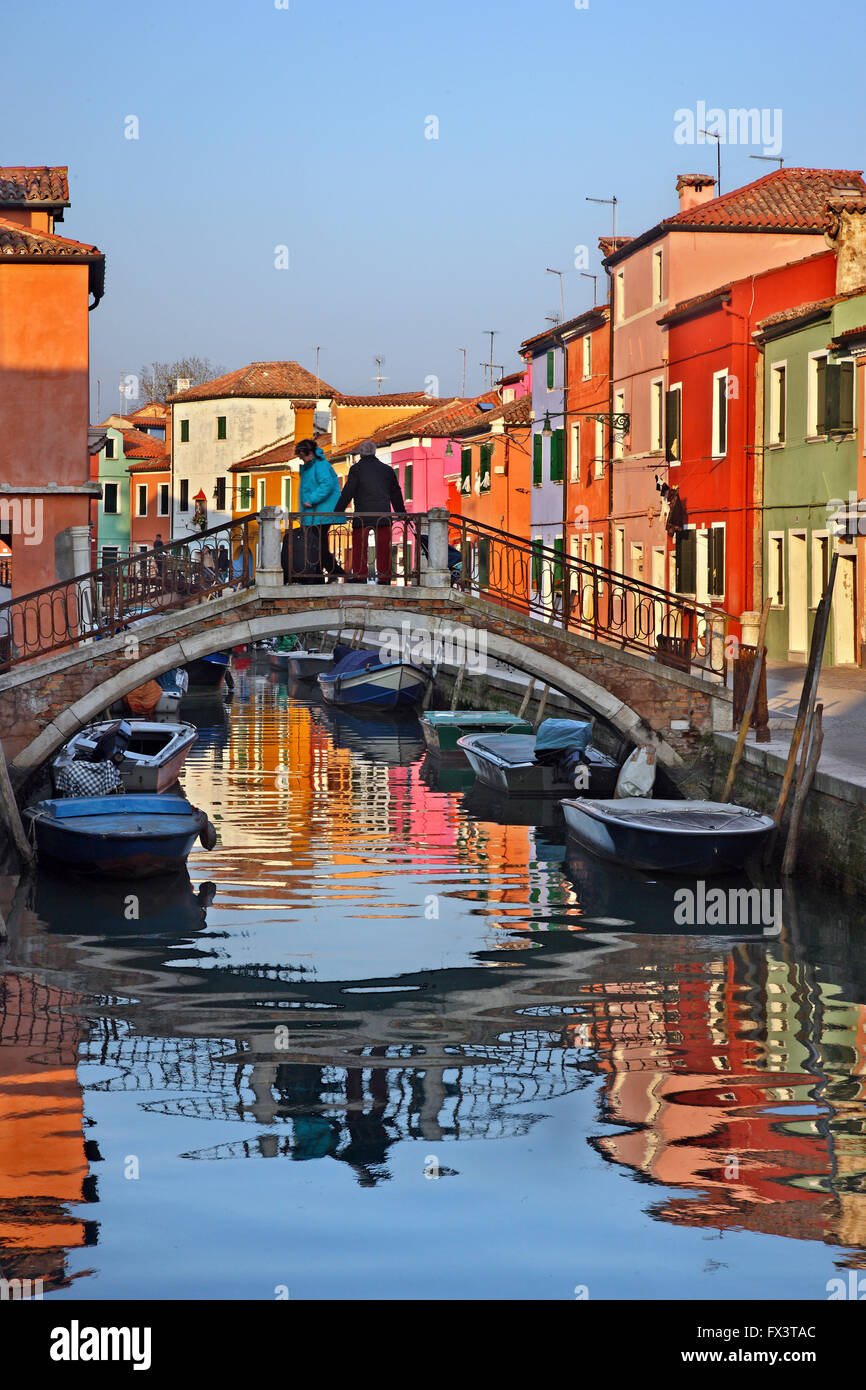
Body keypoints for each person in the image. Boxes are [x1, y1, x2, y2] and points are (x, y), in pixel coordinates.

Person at [334, 440, 405, 584]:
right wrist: (401, 512)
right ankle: (384, 578)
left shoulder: (356, 470)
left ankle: (361, 575)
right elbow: (395, 493)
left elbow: (348, 491)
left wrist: (338, 510)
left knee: (360, 548)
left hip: (362, 516)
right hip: (383, 515)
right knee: (383, 548)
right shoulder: (387, 470)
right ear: (374, 452)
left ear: (361, 454)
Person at [286, 439, 345, 581]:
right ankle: (322, 575)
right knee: (316, 545)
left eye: (302, 456)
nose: (301, 459)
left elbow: (327, 484)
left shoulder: (320, 465)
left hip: (321, 513)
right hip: (314, 514)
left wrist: (311, 500)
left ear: (309, 453)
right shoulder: (311, 466)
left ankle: (334, 572)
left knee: (317, 546)